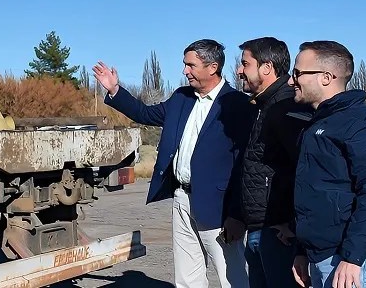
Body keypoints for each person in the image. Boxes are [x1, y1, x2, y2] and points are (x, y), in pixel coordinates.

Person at [95, 39, 251, 288]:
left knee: (231, 276)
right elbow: (145, 114)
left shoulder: (237, 104)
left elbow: (244, 165)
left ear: (212, 67)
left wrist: (237, 214)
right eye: (185, 64)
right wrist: (115, 89)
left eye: (191, 65)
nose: (184, 71)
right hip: (182, 199)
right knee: (187, 277)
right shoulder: (181, 98)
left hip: (219, 208)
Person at [289, 40, 366, 288]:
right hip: (321, 254)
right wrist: (302, 250)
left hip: (353, 260)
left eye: (297, 73)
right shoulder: (317, 124)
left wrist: (353, 257)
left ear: (326, 77)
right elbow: (314, 193)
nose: (291, 81)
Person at [224, 37, 313, 288]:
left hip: (279, 233)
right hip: (260, 228)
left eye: (245, 64)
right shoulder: (262, 105)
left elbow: (304, 169)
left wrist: (293, 224)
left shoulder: (285, 108)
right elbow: (254, 167)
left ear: (267, 67)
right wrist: (238, 214)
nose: (239, 71)